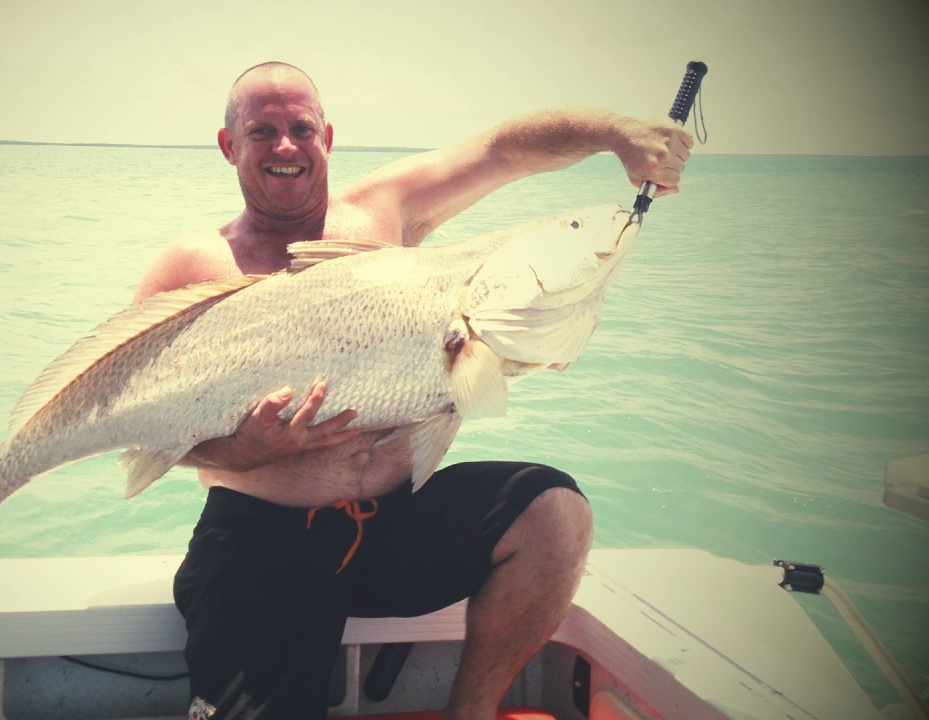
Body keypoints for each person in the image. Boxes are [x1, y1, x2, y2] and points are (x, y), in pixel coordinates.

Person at [134, 62, 692, 720]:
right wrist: (241, 451)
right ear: (229, 145)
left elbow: (501, 150)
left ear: (328, 137)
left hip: (398, 520)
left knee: (554, 513)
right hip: (262, 542)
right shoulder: (195, 265)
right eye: (263, 131)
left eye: (301, 128)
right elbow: (139, 422)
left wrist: (615, 134)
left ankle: (471, 713)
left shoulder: (385, 210)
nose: (286, 146)